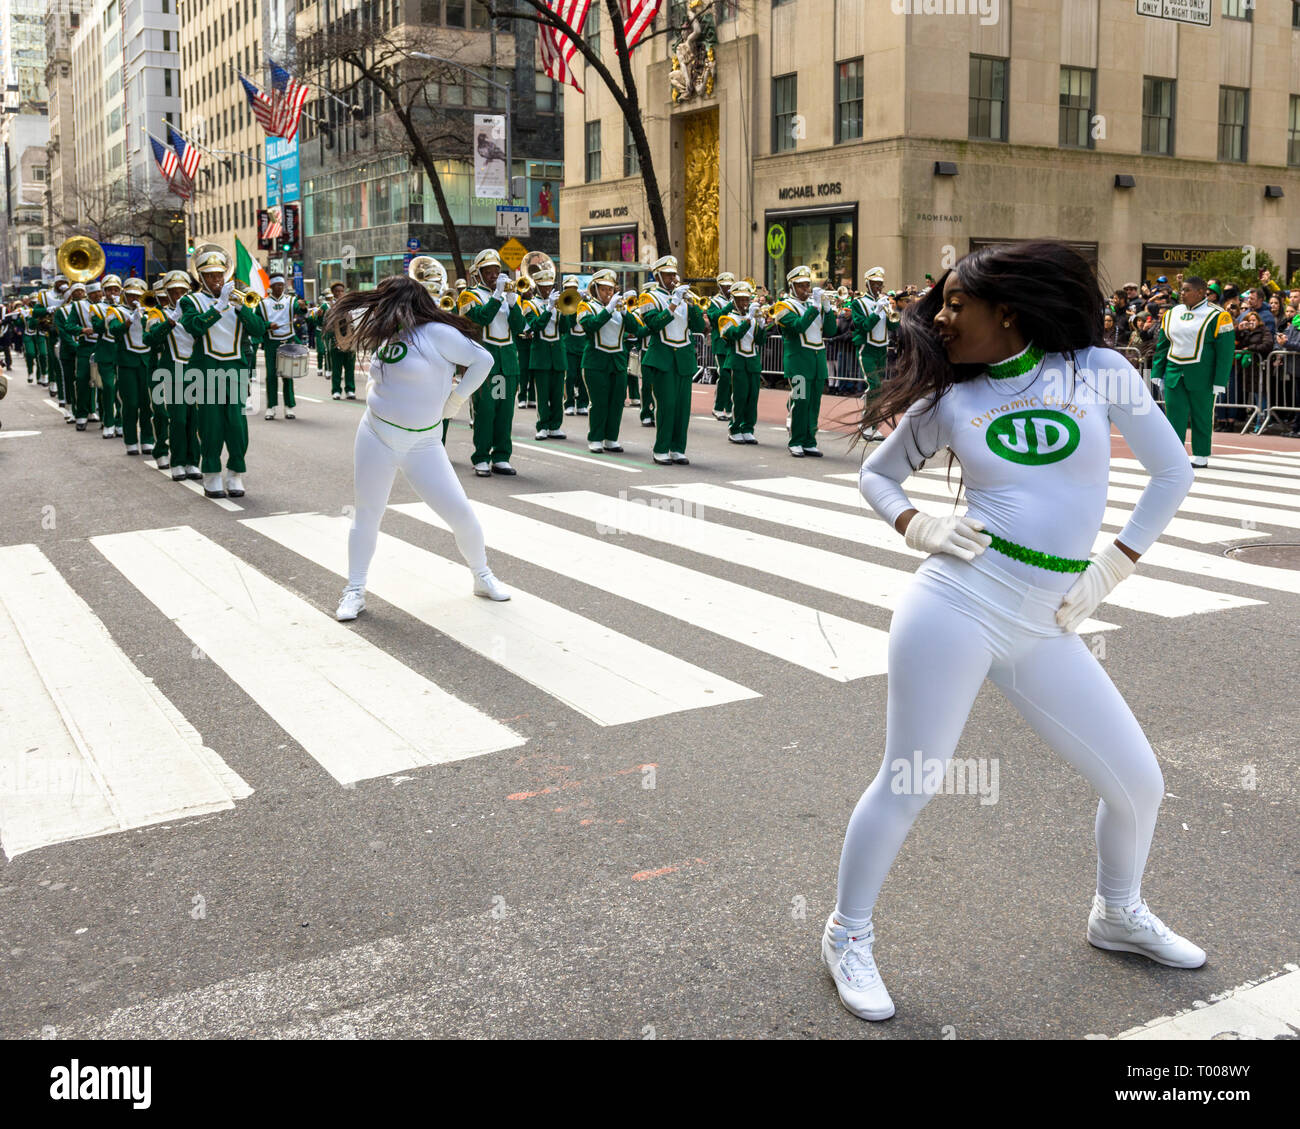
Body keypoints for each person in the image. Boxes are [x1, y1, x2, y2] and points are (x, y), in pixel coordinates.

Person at [824, 240, 1202, 1023]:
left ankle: (1116, 912)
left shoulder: (1096, 371)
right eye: (940, 303)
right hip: (955, 604)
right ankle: (846, 934)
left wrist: (1112, 568)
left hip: (1047, 622)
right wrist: (916, 523)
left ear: (1009, 310)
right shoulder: (950, 402)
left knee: (1138, 781)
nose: (941, 316)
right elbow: (876, 473)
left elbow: (1172, 473)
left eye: (957, 303)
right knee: (909, 779)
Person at [327, 273, 510, 622]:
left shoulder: (436, 334)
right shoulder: (386, 333)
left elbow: (483, 360)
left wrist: (455, 402)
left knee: (461, 515)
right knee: (367, 515)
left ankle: (481, 574)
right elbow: (358, 356)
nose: (381, 309)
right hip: (375, 435)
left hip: (423, 443)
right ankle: (354, 589)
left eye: (387, 302)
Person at [179, 249, 266, 498]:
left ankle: (235, 472)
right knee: (211, 425)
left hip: (235, 369)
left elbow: (259, 329)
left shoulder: (240, 299)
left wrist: (241, 309)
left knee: (237, 425)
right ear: (202, 278)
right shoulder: (190, 301)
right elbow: (194, 327)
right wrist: (219, 306)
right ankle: (212, 472)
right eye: (210, 276)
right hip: (206, 370)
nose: (217, 280)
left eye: (219, 275)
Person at [1151, 276, 1234, 468]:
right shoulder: (1172, 313)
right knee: (1174, 415)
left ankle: (1201, 454)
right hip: (1173, 372)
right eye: (1181, 290)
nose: (1181, 293)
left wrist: (1220, 380)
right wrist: (1157, 370)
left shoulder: (1218, 315)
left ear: (1200, 292)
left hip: (1202, 375)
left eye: (1186, 290)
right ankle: (1174, 454)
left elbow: (1225, 351)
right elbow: (1163, 345)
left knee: (1202, 415)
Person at [636, 255, 710, 465]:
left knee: (682, 407)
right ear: (658, 276)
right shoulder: (648, 298)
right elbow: (653, 325)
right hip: (663, 357)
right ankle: (661, 448)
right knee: (667, 405)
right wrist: (672, 305)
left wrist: (692, 304)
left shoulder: (685, 298)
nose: (672, 279)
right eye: (667, 275)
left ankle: (678, 448)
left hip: (684, 358)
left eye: (673, 274)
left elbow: (698, 327)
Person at [459, 248, 526, 476]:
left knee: (504, 412)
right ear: (478, 273)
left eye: (496, 271)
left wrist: (512, 303)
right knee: (485, 410)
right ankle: (481, 457)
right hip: (484, 362)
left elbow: (520, 328)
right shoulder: (468, 295)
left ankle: (501, 456)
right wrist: (497, 297)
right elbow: (481, 318)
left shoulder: (508, 295)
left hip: (507, 362)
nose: (493, 276)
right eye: (488, 272)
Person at [773, 265, 837, 458]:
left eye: (807, 285)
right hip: (798, 364)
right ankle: (796, 440)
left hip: (817, 364)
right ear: (792, 287)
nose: (805, 289)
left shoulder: (813, 305)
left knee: (814, 403)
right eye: (800, 286)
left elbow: (831, 331)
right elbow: (798, 327)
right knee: (800, 401)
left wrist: (827, 309)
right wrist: (816, 307)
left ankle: (810, 440)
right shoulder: (782, 307)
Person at [145, 271, 201, 482]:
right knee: (177, 418)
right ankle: (177, 461)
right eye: (173, 292)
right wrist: (169, 322)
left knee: (194, 419)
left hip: (196, 368)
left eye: (182, 291)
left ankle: (193, 461)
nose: (178, 296)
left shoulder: (196, 310)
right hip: (173, 369)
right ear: (166, 293)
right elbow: (149, 339)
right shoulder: (157, 314)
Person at [577, 270, 635, 453]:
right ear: (594, 290)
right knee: (599, 402)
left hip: (617, 361)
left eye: (611, 289)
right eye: (603, 289)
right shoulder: (585, 307)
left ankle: (611, 438)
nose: (608, 293)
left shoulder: (619, 308)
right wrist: (608, 310)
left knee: (617, 402)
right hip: (595, 361)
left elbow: (637, 330)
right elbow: (590, 326)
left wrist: (626, 313)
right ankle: (595, 438)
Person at [108, 280, 158, 458]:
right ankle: (130, 440)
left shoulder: (151, 311)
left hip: (146, 361)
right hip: (127, 362)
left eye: (138, 295)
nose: (134, 298)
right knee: (130, 404)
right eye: (130, 295)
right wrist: (129, 321)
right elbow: (114, 331)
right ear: (124, 296)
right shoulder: (115, 311)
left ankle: (147, 439)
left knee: (147, 404)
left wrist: (144, 315)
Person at [521, 263, 567, 440]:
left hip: (558, 355)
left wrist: (564, 312)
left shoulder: (558, 304)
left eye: (550, 286)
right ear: (537, 287)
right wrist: (548, 309)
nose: (548, 290)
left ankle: (556, 426)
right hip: (540, 355)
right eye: (544, 287)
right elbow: (535, 326)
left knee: (557, 394)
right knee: (542, 394)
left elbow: (564, 329)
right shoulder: (529, 305)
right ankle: (542, 426)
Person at [718, 280, 768, 444]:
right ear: (733, 300)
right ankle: (735, 428)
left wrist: (761, 326)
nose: (744, 303)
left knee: (752, 397)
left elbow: (760, 342)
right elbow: (734, 336)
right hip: (737, 362)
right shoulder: (726, 318)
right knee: (739, 397)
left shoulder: (752, 318)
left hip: (752, 362)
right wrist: (749, 320)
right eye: (740, 299)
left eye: (746, 299)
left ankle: (748, 428)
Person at [850, 267, 890, 441]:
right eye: (874, 284)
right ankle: (866, 423)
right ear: (867, 284)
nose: (878, 288)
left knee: (880, 390)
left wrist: (889, 311)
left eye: (880, 284)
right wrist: (876, 312)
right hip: (868, 349)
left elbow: (895, 327)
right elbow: (863, 326)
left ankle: (874, 425)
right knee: (874, 385)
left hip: (883, 349)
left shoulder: (884, 301)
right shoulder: (858, 303)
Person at [259, 275, 306, 420]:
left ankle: (289, 407)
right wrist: (267, 325)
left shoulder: (290, 301)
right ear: (271, 287)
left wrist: (303, 306)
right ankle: (271, 407)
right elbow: (257, 322)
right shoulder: (262, 303)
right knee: (271, 376)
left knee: (288, 374)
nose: (280, 287)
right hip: (271, 342)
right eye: (277, 285)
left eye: (282, 285)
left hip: (288, 340)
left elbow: (301, 310)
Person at [706, 272, 736, 420]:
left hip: (733, 343)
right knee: (724, 376)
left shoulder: (737, 299)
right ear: (720, 287)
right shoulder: (714, 302)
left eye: (730, 285)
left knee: (732, 377)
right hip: (720, 344)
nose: (728, 288)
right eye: (725, 286)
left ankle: (730, 408)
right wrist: (730, 306)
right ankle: (718, 407)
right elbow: (714, 318)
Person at [560, 275, 589, 416]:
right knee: (570, 375)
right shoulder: (562, 304)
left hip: (583, 344)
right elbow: (567, 326)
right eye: (568, 289)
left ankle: (583, 403)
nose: (572, 291)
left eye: (574, 289)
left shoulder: (584, 303)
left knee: (583, 376)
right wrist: (571, 307)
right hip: (570, 344)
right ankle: (569, 403)